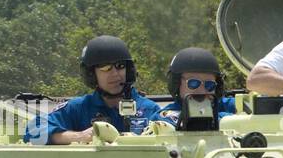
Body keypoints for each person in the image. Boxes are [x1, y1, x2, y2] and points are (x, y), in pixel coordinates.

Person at [24, 35, 164, 145]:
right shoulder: (79, 108)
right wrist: (79, 136)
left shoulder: (149, 109)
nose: (115, 74)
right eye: (105, 68)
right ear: (91, 74)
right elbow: (33, 131)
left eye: (120, 66)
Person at [160, 47, 236, 130]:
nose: (202, 91)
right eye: (193, 83)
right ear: (177, 84)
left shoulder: (226, 105)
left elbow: (249, 107)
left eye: (209, 85)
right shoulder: (165, 117)